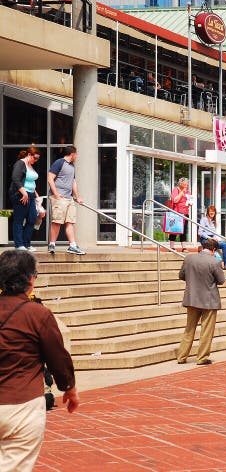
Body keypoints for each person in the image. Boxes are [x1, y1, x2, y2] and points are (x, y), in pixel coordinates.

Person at [0, 250, 79, 472]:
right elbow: (58, 357)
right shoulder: (38, 314)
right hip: (22, 405)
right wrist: (69, 388)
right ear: (30, 279)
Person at [176, 238, 226, 365]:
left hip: (192, 298)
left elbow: (181, 276)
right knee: (206, 331)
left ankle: (182, 356)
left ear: (203, 246)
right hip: (209, 300)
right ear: (214, 250)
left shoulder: (189, 258)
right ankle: (201, 357)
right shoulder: (214, 262)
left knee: (189, 328)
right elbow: (221, 280)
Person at [46, 146, 86, 255]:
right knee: (57, 221)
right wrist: (56, 194)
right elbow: (50, 178)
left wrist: (77, 197)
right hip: (59, 197)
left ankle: (72, 246)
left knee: (70, 222)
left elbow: (73, 182)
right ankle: (52, 244)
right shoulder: (59, 162)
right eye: (76, 154)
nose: (77, 156)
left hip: (69, 198)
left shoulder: (72, 166)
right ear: (72, 154)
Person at [9, 147, 42, 251]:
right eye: (35, 158)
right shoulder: (20, 164)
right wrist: (24, 193)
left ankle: (26, 243)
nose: (36, 161)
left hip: (31, 194)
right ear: (29, 155)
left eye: (37, 159)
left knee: (32, 218)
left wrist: (36, 195)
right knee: (19, 219)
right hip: (21, 194)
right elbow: (15, 179)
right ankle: (19, 245)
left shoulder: (30, 166)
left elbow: (31, 182)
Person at [168, 177, 192, 252]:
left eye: (187, 183)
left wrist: (190, 202)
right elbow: (175, 200)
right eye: (185, 183)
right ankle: (171, 247)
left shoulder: (188, 192)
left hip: (185, 213)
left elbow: (189, 201)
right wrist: (182, 192)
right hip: (176, 213)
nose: (186, 185)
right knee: (174, 230)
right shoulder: (176, 190)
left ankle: (184, 247)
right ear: (180, 183)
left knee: (184, 230)